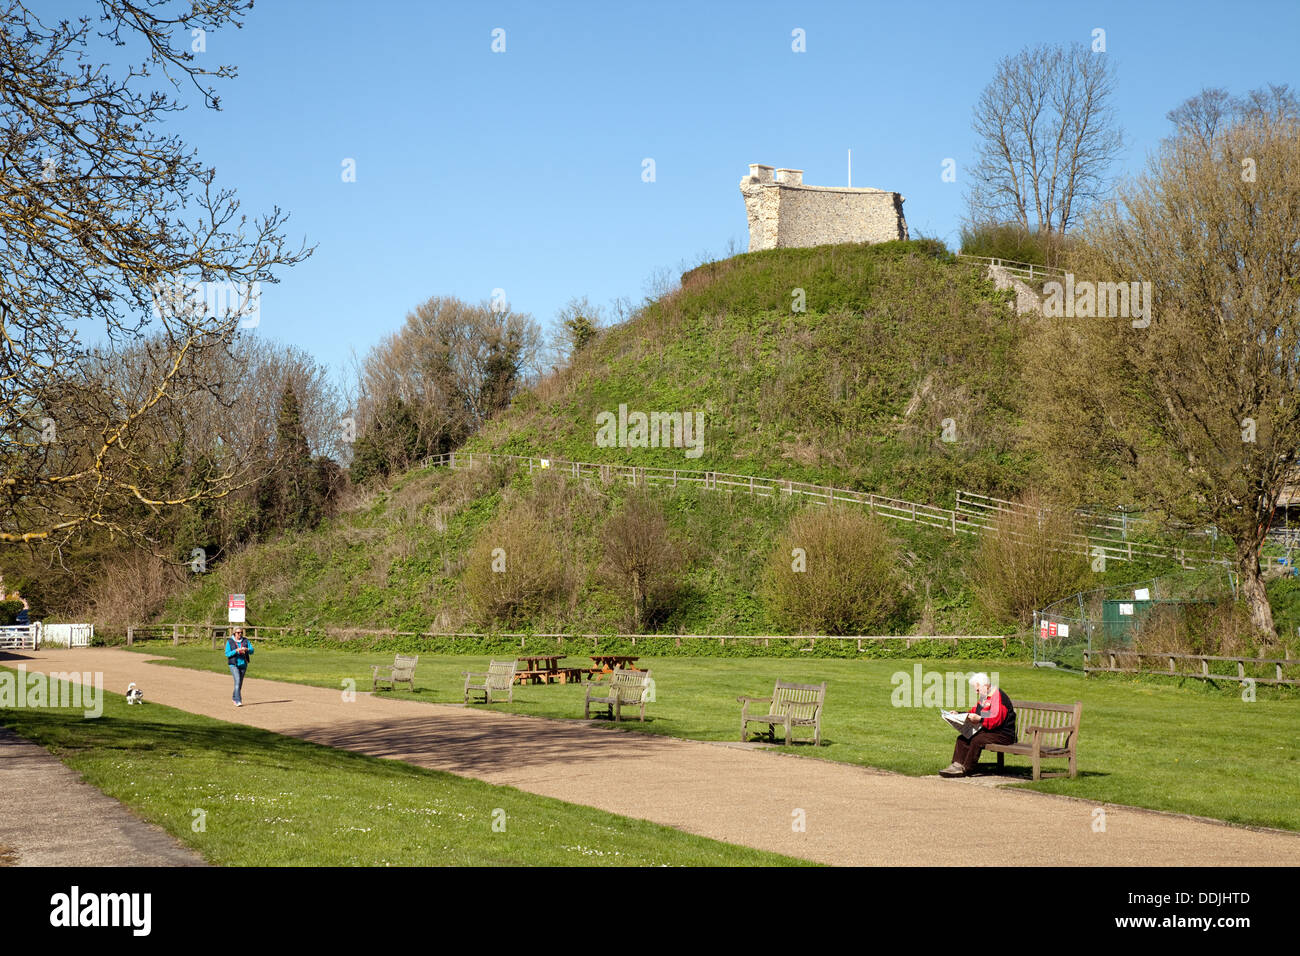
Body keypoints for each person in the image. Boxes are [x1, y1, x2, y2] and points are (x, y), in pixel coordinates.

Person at [939, 672, 1016, 777]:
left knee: (977, 740)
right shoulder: (985, 697)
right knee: (962, 738)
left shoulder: (998, 697)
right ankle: (956, 765)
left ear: (986, 686)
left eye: (977, 689)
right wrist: (959, 713)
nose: (976, 692)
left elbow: (996, 720)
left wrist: (980, 719)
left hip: (1003, 734)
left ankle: (967, 768)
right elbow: (975, 711)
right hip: (990, 732)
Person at [224, 627, 254, 707]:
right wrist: (236, 651)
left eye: (241, 632)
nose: (240, 634)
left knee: (239, 683)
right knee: (237, 681)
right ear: (234, 633)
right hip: (234, 664)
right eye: (238, 632)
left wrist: (247, 649)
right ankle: (238, 700)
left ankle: (234, 697)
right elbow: (227, 654)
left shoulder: (245, 640)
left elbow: (252, 651)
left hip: (243, 664)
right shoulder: (230, 641)